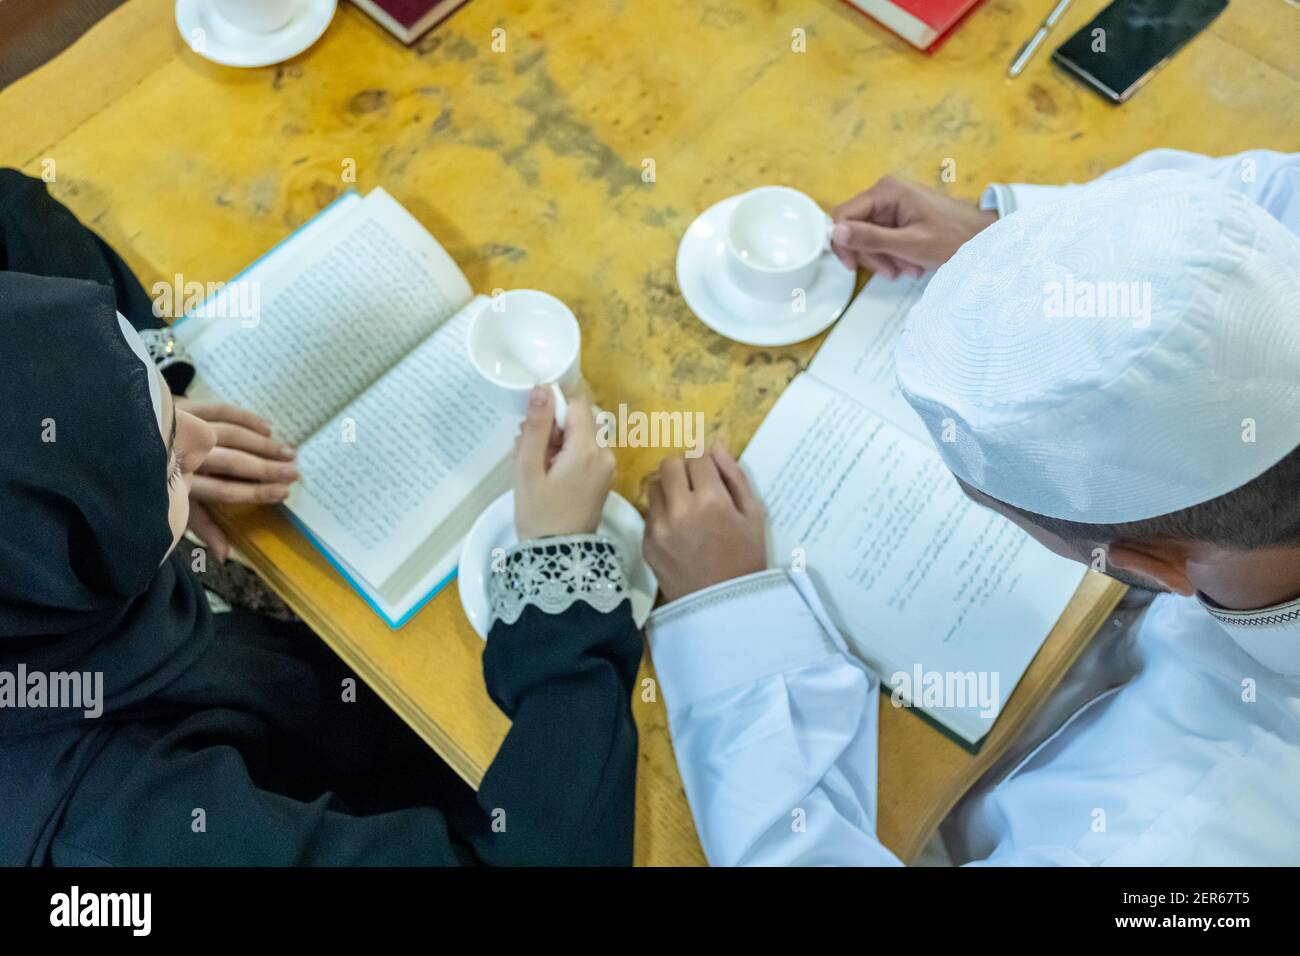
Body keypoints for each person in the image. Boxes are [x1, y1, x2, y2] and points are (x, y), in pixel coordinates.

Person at [641, 148, 1300, 865]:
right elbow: (1269, 191)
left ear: (1148, 562)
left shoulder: (1179, 841)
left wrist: (728, 619)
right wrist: (1024, 254)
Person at [0, 169, 640, 866]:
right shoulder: (122, 829)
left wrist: (138, 396)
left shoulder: (29, 592)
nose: (206, 439)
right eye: (166, 461)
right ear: (58, 558)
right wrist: (557, 569)